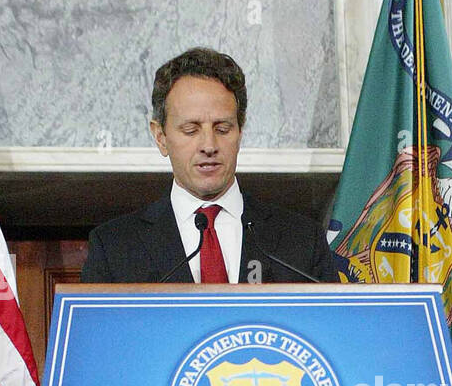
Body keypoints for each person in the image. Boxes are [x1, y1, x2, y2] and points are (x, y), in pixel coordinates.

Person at [81, 47, 340, 284]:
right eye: (191, 130)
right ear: (161, 137)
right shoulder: (114, 247)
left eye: (222, 128)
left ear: (240, 132)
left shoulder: (302, 240)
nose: (209, 145)